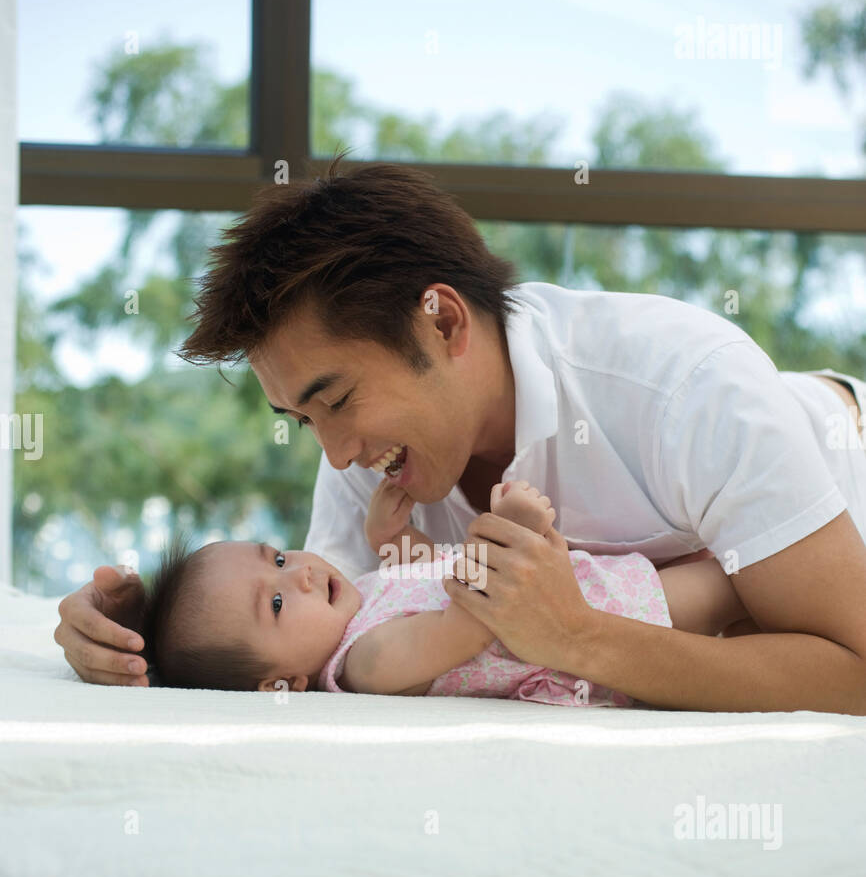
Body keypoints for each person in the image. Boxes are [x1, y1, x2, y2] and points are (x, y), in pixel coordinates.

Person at [54, 154, 866, 713]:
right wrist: (134, 640)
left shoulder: (687, 388)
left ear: (441, 321)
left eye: (334, 401)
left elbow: (854, 675)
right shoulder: (367, 456)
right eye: (304, 421)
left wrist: (581, 637)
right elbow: (303, 638)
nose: (334, 455)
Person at [140, 480, 746, 702]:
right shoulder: (368, 663)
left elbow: (433, 571)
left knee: (723, 573)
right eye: (274, 604)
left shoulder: (364, 600)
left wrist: (393, 537)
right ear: (282, 685)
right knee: (731, 586)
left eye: (275, 556)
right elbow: (470, 618)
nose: (295, 572)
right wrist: (512, 529)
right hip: (606, 625)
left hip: (576, 597)